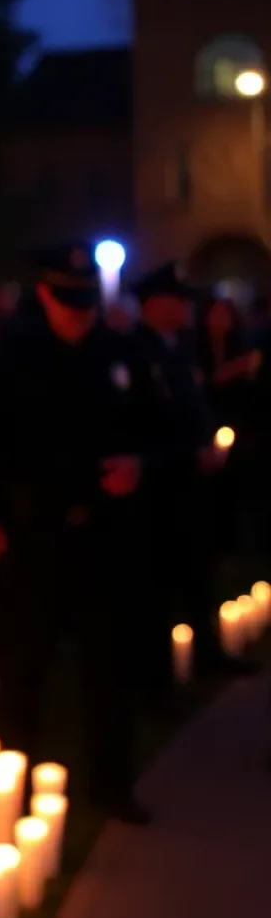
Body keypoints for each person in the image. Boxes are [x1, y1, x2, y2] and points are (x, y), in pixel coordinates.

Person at [0, 243, 164, 825]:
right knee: (24, 672)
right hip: (35, 538)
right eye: (67, 301)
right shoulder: (17, 358)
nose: (77, 313)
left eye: (85, 301)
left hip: (104, 541)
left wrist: (139, 465)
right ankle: (15, 791)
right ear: (46, 297)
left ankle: (111, 785)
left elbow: (157, 428)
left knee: (108, 669)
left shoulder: (121, 353)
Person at [130, 262, 258, 688]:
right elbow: (149, 423)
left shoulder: (178, 348)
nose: (188, 306)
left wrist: (209, 444)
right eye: (179, 298)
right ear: (157, 303)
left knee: (197, 576)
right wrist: (191, 452)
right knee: (161, 588)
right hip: (161, 491)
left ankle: (207, 656)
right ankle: (159, 680)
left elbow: (192, 406)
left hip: (191, 486)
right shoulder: (139, 354)